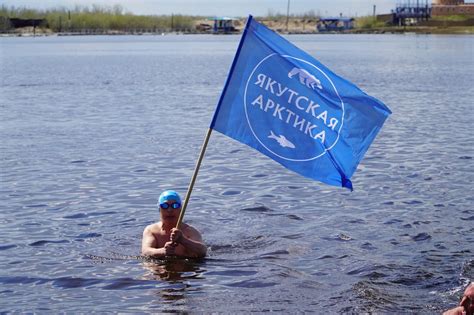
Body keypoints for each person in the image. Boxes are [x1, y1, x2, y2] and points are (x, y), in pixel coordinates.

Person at [141, 190, 207, 259]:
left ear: (181, 209)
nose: (170, 210)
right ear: (159, 209)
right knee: (149, 266)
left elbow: (203, 252)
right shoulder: (151, 230)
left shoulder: (190, 232)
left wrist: (183, 240)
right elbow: (145, 251)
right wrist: (163, 251)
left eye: (175, 206)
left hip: (184, 267)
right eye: (165, 206)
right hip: (159, 266)